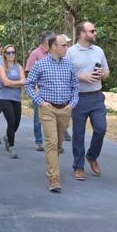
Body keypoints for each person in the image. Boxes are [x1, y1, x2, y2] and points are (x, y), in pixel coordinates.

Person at [25, 34, 78, 192]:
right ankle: (54, 177)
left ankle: (53, 161)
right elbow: (29, 85)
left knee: (59, 144)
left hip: (65, 109)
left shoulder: (69, 65)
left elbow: (75, 86)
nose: (66, 48)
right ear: (54, 47)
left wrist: (72, 104)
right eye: (63, 45)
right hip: (47, 109)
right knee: (51, 142)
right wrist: (40, 101)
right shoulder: (40, 65)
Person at [66, 21, 110, 181]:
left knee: (101, 129)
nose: (95, 33)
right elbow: (65, 74)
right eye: (92, 31)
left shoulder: (98, 50)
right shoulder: (70, 52)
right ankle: (78, 167)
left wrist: (102, 74)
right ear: (82, 33)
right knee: (78, 134)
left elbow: (107, 71)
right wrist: (81, 76)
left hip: (97, 96)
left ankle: (92, 156)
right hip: (79, 97)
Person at [25, 31, 55, 152]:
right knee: (38, 118)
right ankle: (38, 141)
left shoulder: (53, 54)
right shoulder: (35, 54)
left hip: (53, 92)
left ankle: (53, 142)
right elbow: (28, 71)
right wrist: (35, 86)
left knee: (53, 117)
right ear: (46, 41)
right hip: (39, 92)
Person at [0, 44, 26, 159]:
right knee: (11, 121)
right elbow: (5, 83)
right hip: (4, 98)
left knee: (17, 122)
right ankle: (12, 147)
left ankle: (7, 137)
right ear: (4, 54)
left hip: (16, 98)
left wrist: (13, 83)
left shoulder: (18, 67)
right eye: (8, 53)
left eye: (13, 52)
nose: (11, 55)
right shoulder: (1, 67)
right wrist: (18, 83)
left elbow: (24, 81)